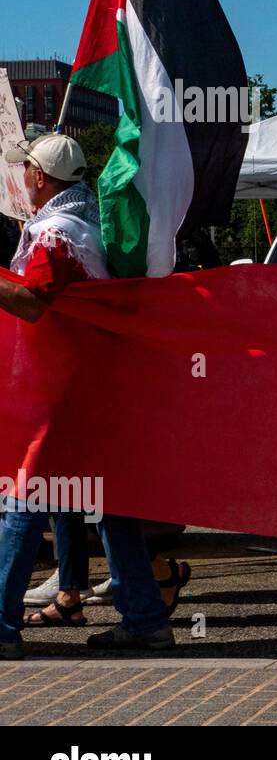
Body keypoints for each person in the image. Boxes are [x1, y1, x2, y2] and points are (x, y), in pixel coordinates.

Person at [0, 134, 172, 655]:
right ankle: (145, 619)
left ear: (39, 178)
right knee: (110, 505)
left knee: (22, 502)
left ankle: (2, 629)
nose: (22, 179)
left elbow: (31, 303)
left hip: (64, 394)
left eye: (26, 170)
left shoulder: (53, 233)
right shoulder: (87, 226)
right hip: (94, 389)